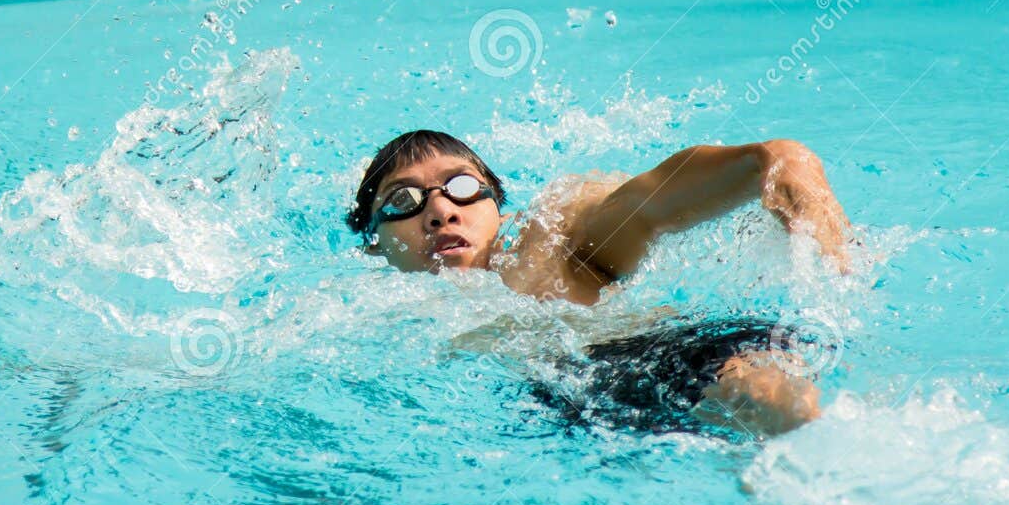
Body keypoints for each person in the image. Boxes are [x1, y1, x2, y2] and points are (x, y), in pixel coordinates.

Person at [344, 130, 853, 436]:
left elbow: (645, 205)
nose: (439, 210)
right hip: (572, 412)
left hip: (678, 357)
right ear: (372, 242)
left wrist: (769, 162)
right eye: (401, 201)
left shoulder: (555, 241)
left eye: (461, 188)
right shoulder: (357, 314)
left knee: (779, 411)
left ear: (499, 207)